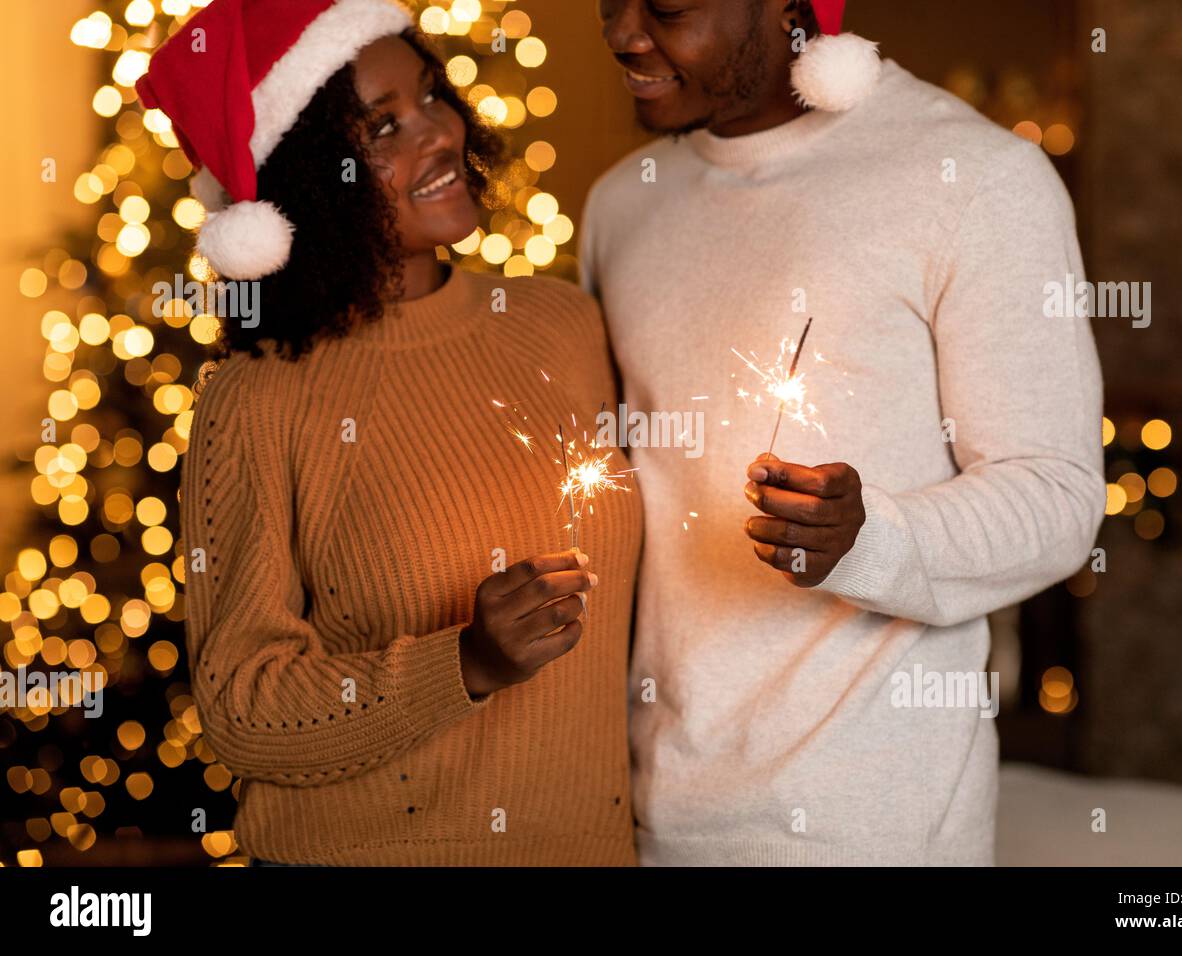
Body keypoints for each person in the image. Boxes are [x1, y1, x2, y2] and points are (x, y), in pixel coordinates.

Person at [582, 0, 1105, 865]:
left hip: (875, 833)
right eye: (611, 1)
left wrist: (869, 540)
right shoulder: (621, 205)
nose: (623, 35)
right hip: (651, 818)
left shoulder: (976, 178)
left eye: (667, 7)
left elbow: (1056, 493)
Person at [139, 0, 640, 865]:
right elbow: (241, 707)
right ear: (307, 174)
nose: (439, 135)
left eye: (432, 97)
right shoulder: (259, 398)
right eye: (382, 129)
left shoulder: (564, 325)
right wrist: (467, 664)